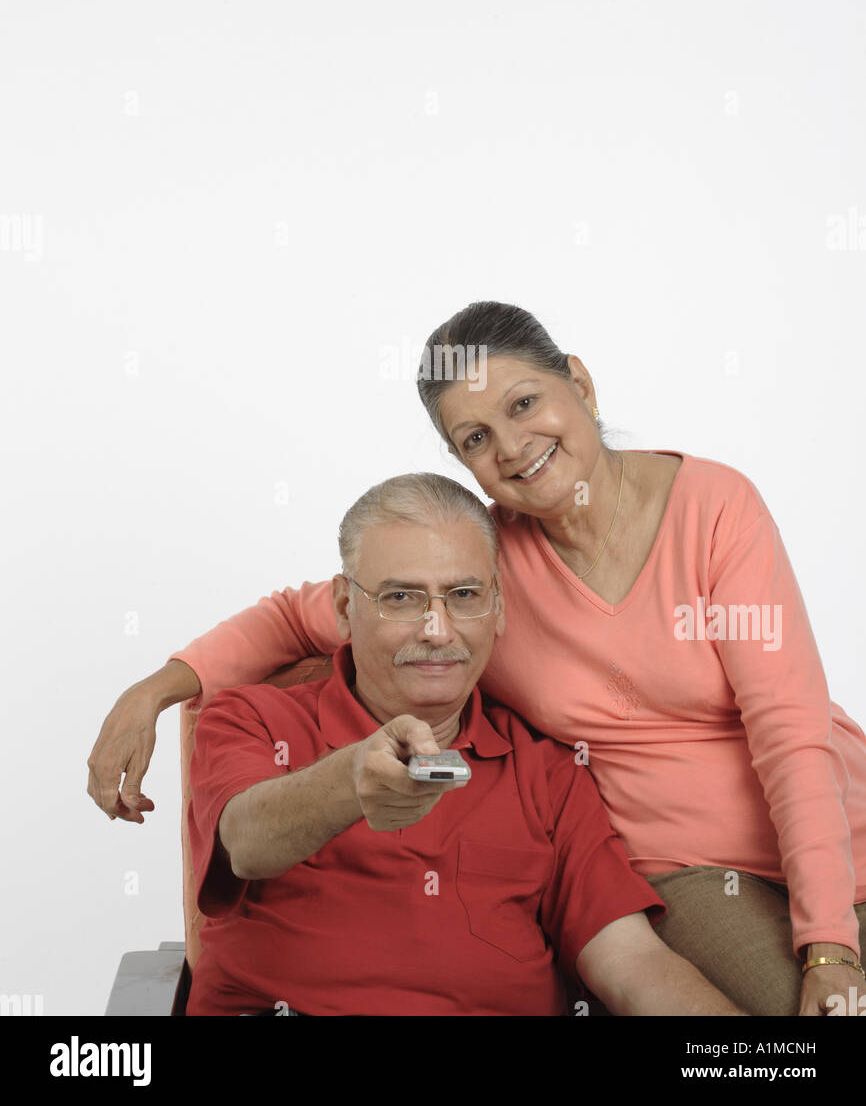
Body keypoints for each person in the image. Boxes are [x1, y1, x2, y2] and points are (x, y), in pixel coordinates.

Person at [88, 301, 866, 1016]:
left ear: (581, 383)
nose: (513, 446)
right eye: (475, 438)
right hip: (690, 869)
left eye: (523, 403)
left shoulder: (713, 509)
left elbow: (789, 734)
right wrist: (156, 689)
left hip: (834, 820)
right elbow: (301, 619)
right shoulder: (476, 580)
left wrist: (828, 942)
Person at [186, 473, 747, 1016]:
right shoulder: (252, 719)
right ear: (342, 608)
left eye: (463, 595)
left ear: (498, 608)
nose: (437, 630)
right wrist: (351, 778)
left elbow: (631, 963)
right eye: (401, 597)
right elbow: (246, 842)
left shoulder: (547, 772)